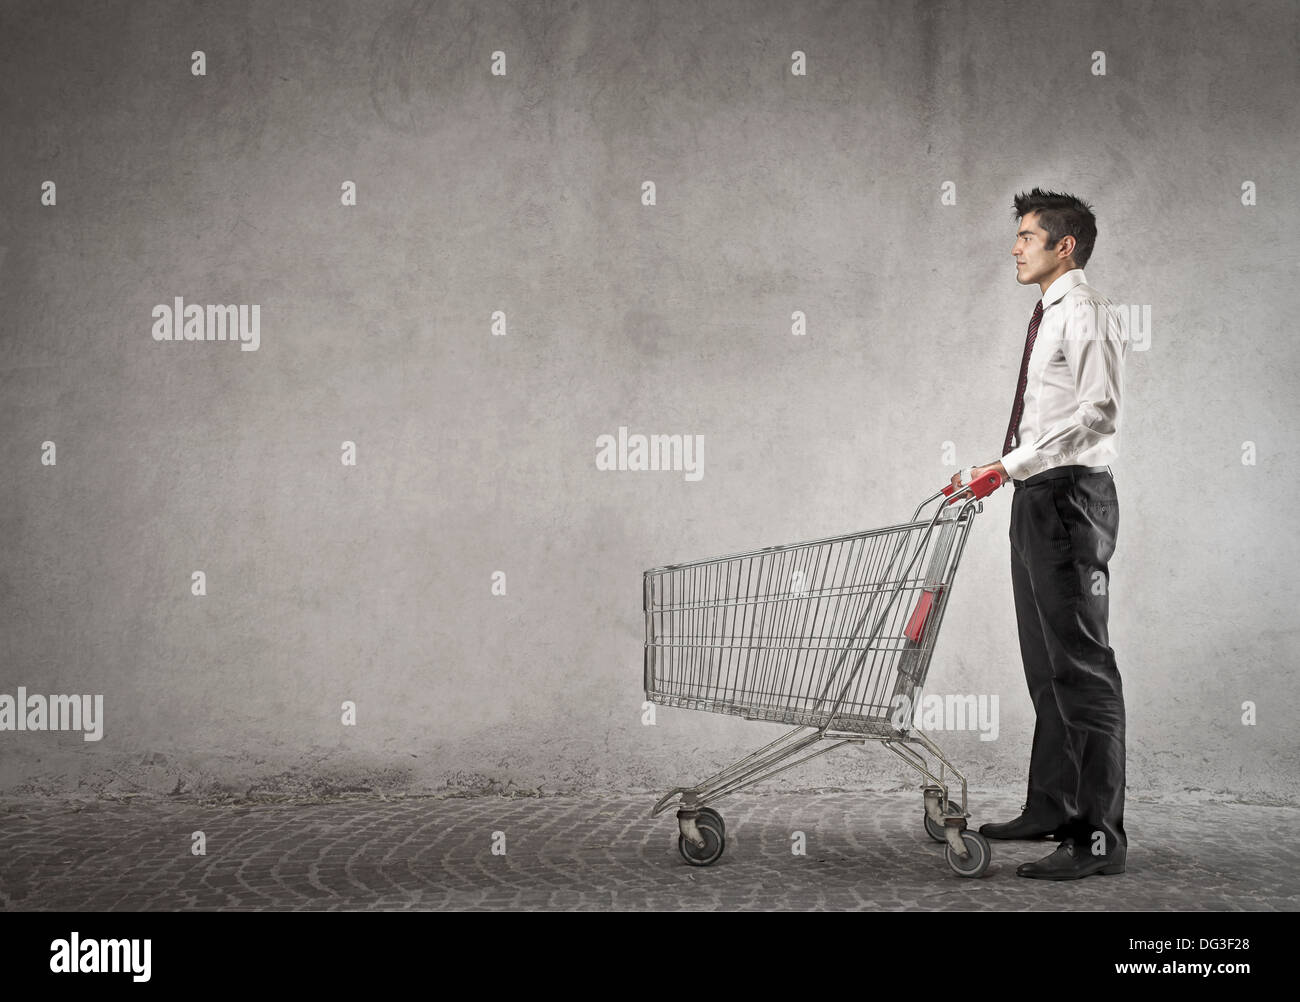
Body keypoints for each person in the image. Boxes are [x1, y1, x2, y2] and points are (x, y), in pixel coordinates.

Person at [951, 188, 1128, 879]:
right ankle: (1052, 806)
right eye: (1019, 235)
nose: (1016, 247)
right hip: (1037, 498)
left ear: (1066, 247)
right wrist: (1012, 475)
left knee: (1082, 668)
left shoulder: (1083, 311)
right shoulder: (1049, 312)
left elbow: (1100, 415)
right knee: (1046, 665)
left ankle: (1098, 839)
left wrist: (1008, 464)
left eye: (1028, 236)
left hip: (1069, 502)